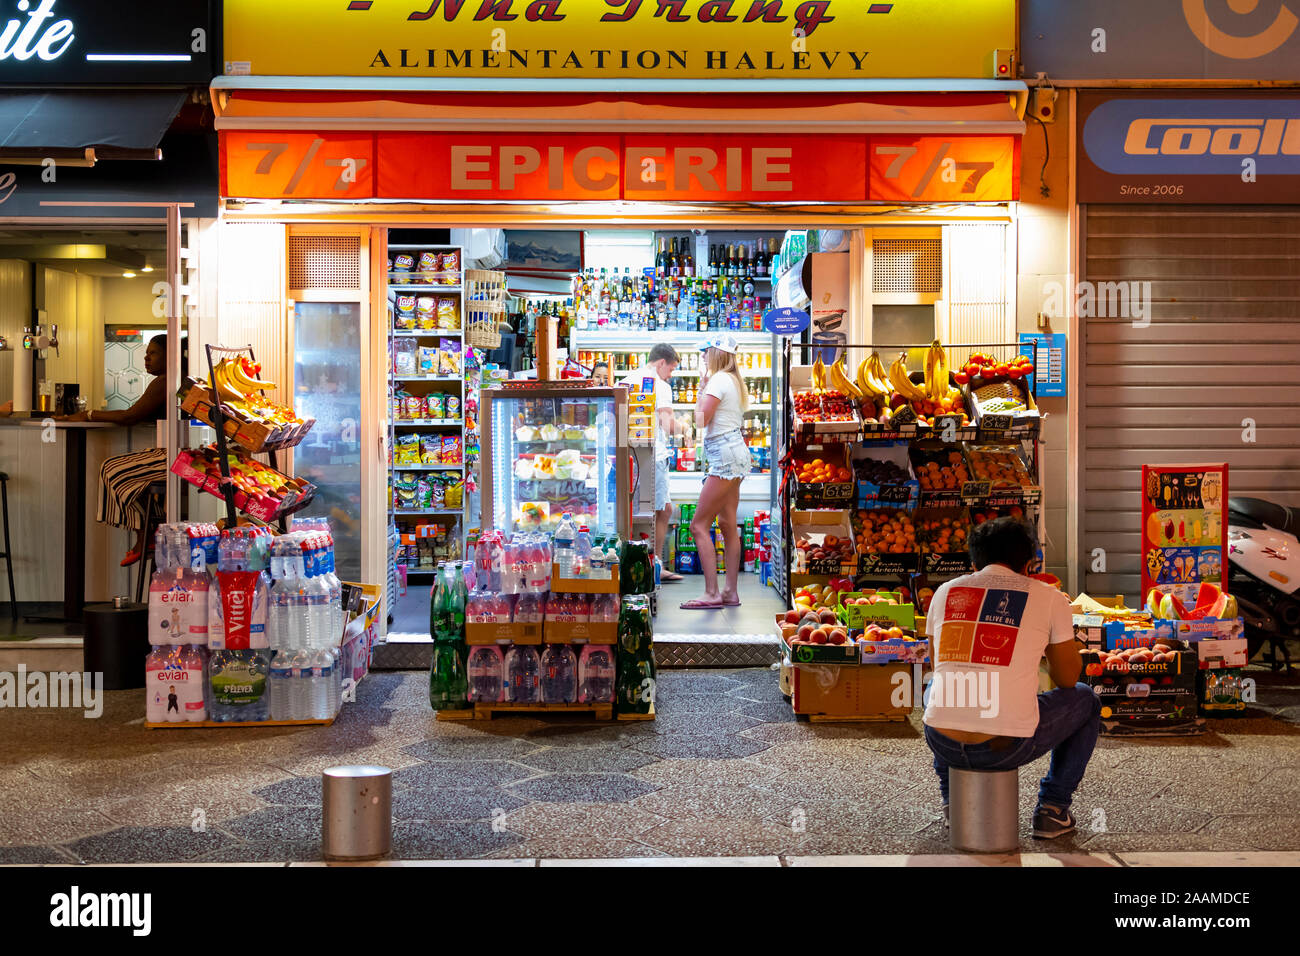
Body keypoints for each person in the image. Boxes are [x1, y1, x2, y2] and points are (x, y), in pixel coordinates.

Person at [922, 517, 1100, 839]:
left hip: (941, 740)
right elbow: (1067, 679)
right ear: (1028, 563)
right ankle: (1053, 809)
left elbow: (938, 666)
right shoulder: (1049, 597)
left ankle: (953, 804)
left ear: (974, 561)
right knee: (1086, 699)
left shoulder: (944, 592)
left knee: (941, 687)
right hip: (1005, 746)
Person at [58, 334, 180, 566]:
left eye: (153, 353)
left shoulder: (165, 381)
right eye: (147, 353)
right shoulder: (168, 381)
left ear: (170, 355)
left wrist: (89, 414)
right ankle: (150, 530)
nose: (146, 358)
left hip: (174, 456)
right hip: (173, 453)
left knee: (113, 468)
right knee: (121, 473)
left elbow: (129, 416)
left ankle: (145, 535)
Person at [679, 334, 750, 609]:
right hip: (736, 452)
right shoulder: (732, 380)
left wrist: (701, 385)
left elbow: (700, 420)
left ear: (716, 353)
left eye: (705, 352)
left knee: (698, 525)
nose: (703, 357)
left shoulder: (718, 380)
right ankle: (730, 592)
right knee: (728, 525)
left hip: (724, 456)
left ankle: (711, 593)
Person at [618, 344, 684, 582]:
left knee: (644, 511)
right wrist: (687, 427)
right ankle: (654, 565)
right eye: (672, 369)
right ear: (661, 364)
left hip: (630, 457)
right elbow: (669, 425)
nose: (671, 375)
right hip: (654, 456)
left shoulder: (626, 380)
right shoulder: (660, 385)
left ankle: (645, 564)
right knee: (660, 511)